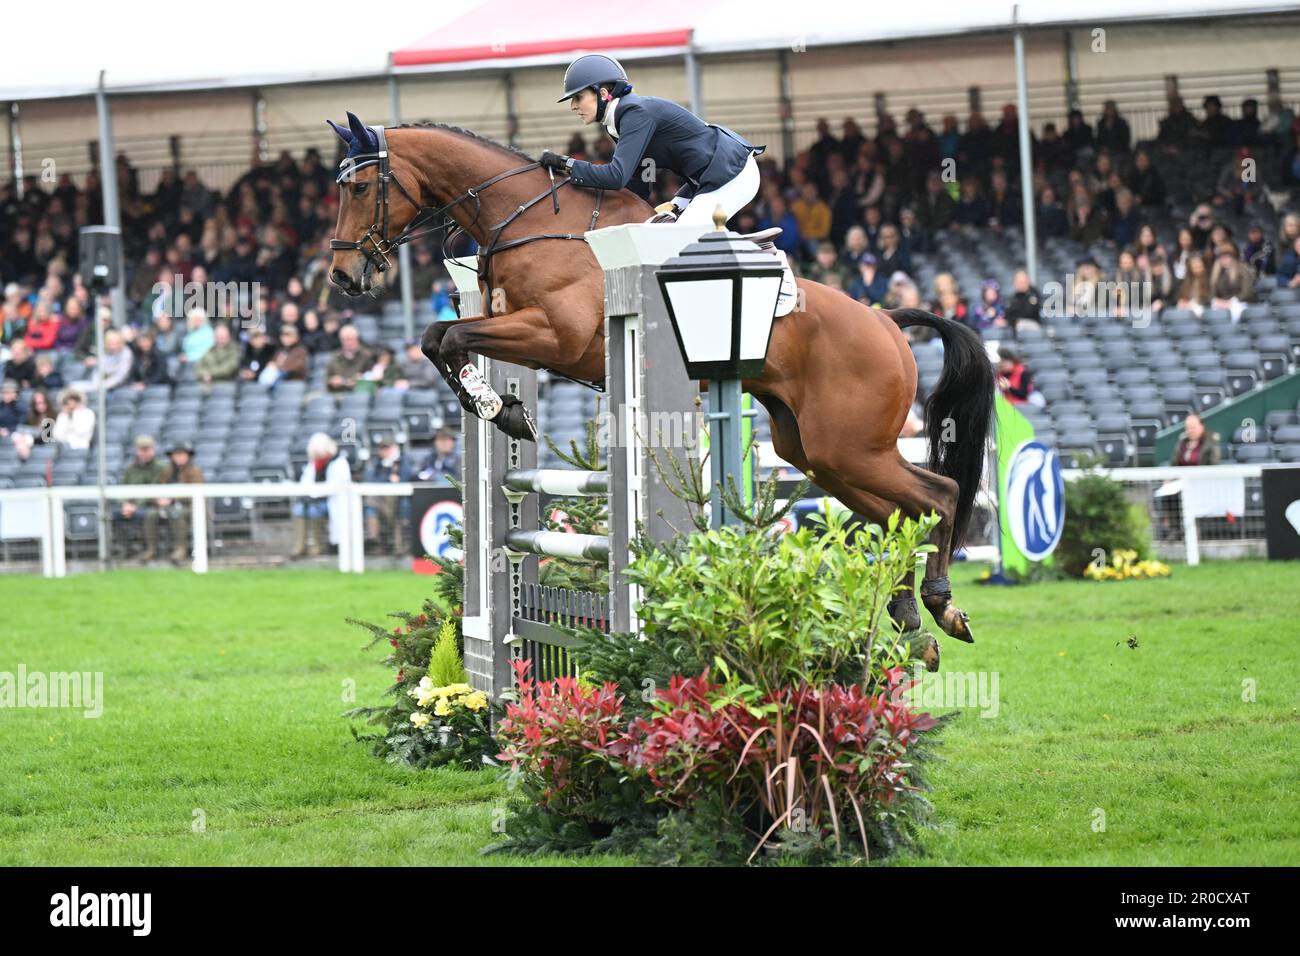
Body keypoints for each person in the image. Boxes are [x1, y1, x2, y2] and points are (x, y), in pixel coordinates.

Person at [540, 53, 765, 228]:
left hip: (732, 173)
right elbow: (640, 182)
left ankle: (774, 267)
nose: (573, 106)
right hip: (703, 181)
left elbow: (616, 176)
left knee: (681, 239)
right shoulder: (617, 122)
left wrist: (567, 165)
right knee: (656, 228)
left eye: (578, 97)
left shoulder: (634, 114)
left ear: (603, 93)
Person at [291, 432, 351, 558]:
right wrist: (310, 494)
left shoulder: (339, 462)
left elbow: (335, 487)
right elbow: (305, 482)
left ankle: (318, 546)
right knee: (299, 509)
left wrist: (317, 494)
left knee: (314, 511)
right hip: (314, 499)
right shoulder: (313, 464)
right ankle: (299, 547)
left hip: (333, 501)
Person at [363, 436, 427, 554]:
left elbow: (406, 478)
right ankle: (374, 540)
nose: (385, 451)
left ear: (396, 448)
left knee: (402, 508)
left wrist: (395, 465)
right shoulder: (378, 465)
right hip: (383, 502)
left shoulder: (405, 461)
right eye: (383, 448)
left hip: (402, 500)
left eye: (388, 448)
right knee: (371, 503)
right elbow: (372, 482)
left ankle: (400, 548)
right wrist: (388, 475)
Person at [118, 434, 168, 561]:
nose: (145, 453)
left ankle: (151, 550)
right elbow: (123, 489)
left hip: (153, 506)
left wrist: (135, 506)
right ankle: (126, 549)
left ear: (153, 449)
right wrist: (125, 504)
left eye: (148, 449)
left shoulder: (161, 468)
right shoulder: (131, 469)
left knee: (150, 515)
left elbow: (157, 491)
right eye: (142, 449)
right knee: (115, 514)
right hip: (133, 506)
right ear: (137, 451)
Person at [157, 441, 205, 564]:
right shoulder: (167, 470)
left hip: (192, 508)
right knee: (151, 515)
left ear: (188, 456)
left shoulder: (195, 471)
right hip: (168, 507)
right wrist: (160, 499)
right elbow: (160, 487)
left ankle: (180, 549)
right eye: (176, 454)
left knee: (176, 514)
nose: (179, 457)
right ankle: (152, 550)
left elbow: (196, 493)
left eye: (181, 454)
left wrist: (172, 499)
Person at [325, 325, 373, 393]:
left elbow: (372, 377)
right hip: (339, 393)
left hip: (359, 394)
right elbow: (327, 378)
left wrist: (362, 379)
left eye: (351, 339)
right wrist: (332, 380)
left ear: (357, 339)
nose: (348, 343)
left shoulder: (367, 356)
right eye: (345, 340)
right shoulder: (334, 357)